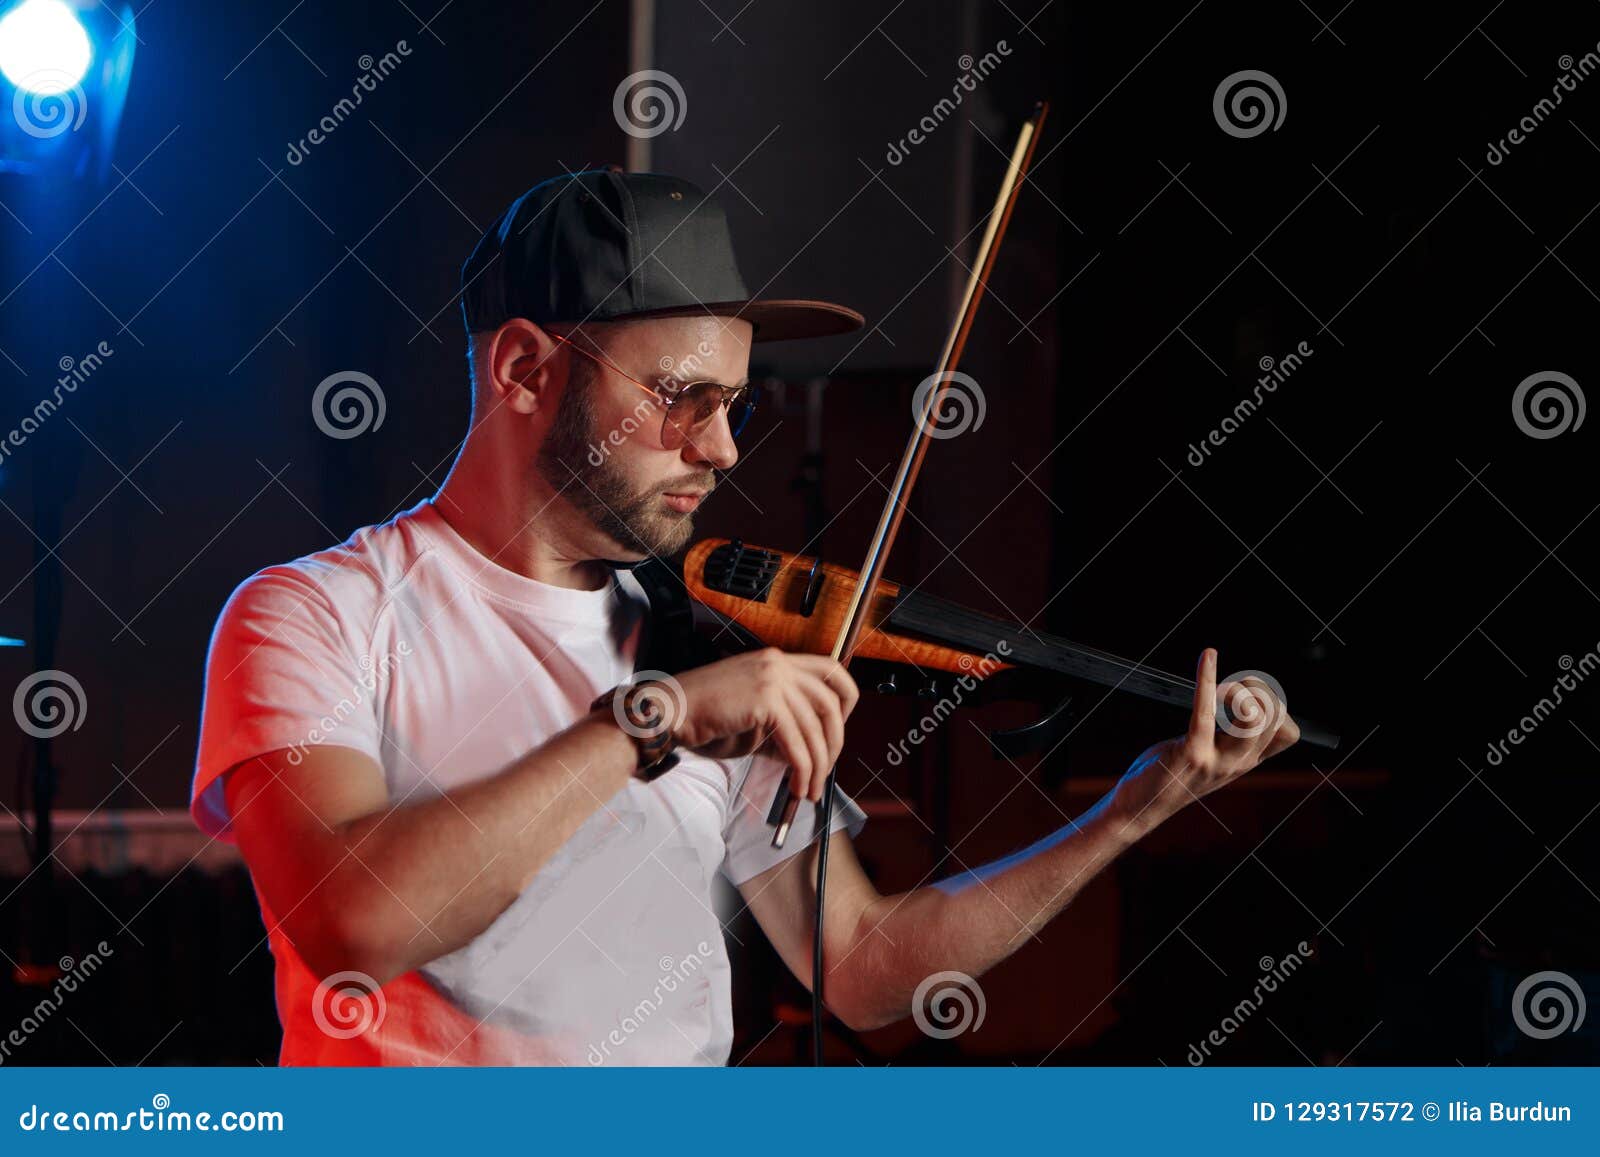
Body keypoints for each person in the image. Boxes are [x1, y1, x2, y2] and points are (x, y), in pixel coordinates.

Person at [190, 168, 1300, 1066]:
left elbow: (860, 967)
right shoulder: (314, 615)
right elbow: (349, 924)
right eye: (682, 398)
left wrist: (1124, 815)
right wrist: (647, 720)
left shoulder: (702, 644)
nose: (720, 451)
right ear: (525, 367)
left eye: (736, 406)